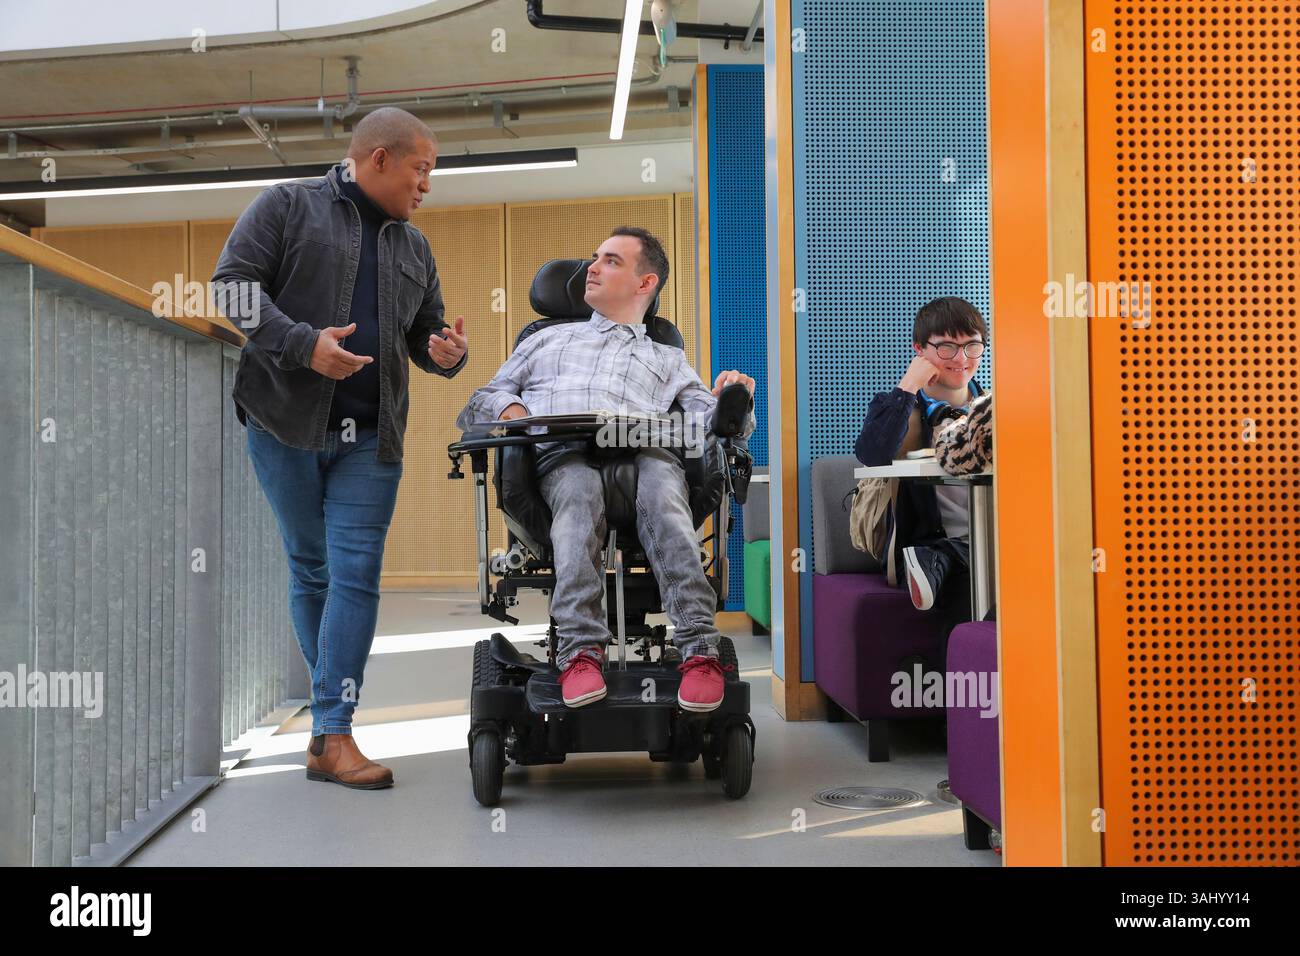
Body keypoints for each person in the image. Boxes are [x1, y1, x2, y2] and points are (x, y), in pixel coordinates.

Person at [212, 107, 469, 790]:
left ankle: (333, 734)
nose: (426, 187)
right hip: (284, 421)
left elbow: (424, 333)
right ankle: (332, 730)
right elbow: (230, 289)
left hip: (372, 437)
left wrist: (443, 352)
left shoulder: (414, 246)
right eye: (421, 171)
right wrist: (304, 345)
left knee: (354, 575)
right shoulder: (286, 207)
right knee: (312, 570)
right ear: (379, 158)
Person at [456, 226, 755, 712]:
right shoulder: (545, 341)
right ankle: (579, 653)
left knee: (663, 490)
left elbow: (715, 423)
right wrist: (515, 413)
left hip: (645, 451)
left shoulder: (668, 357)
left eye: (611, 260)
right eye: (595, 258)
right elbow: (481, 400)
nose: (591, 268)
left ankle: (700, 651)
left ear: (645, 284)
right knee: (577, 492)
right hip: (563, 452)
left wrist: (733, 401)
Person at [854, 297, 988, 638]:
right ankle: (966, 691)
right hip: (919, 546)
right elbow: (872, 453)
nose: (961, 359)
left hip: (990, 538)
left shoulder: (991, 410)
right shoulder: (901, 408)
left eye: (972, 346)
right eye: (946, 348)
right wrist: (908, 387)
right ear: (920, 349)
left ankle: (942, 557)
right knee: (967, 590)